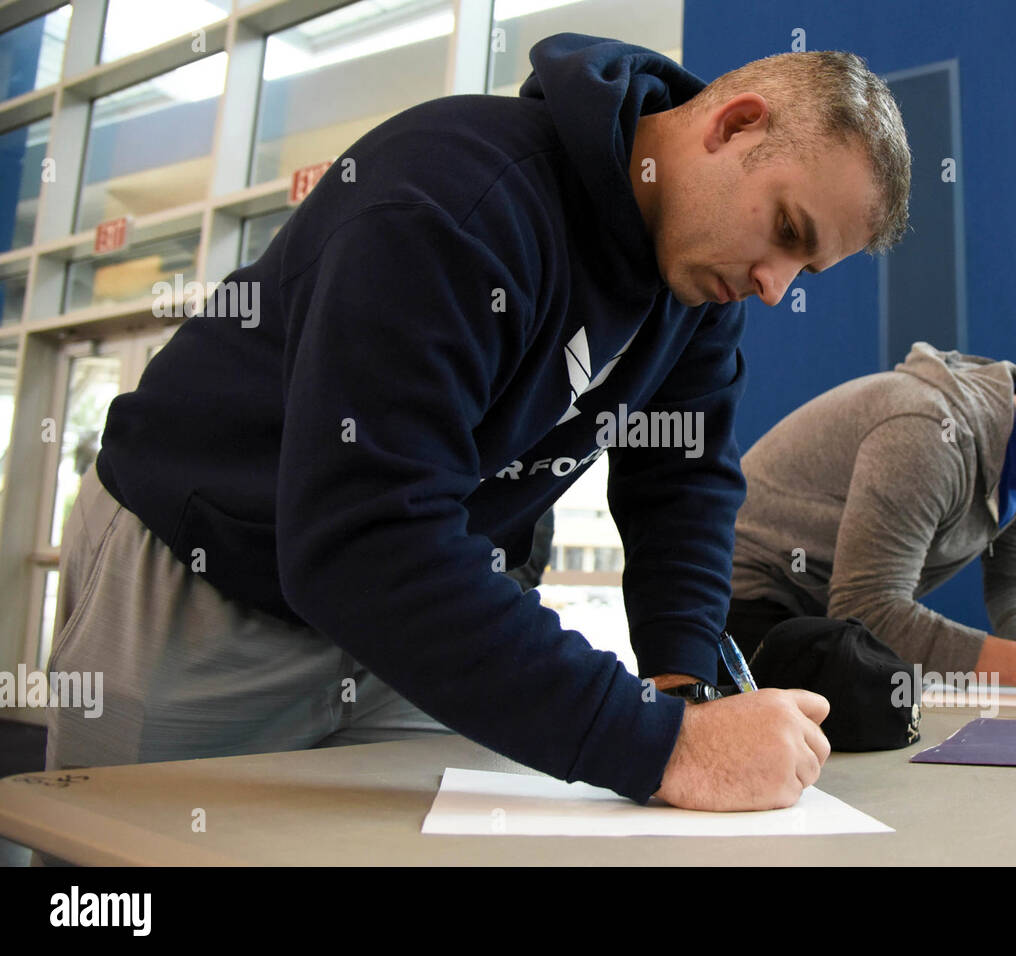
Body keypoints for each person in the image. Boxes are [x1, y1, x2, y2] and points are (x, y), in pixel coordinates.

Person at [45, 33, 912, 812]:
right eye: (787, 231)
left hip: (414, 628)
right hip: (208, 575)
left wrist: (683, 687)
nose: (776, 286)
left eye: (807, 266)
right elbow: (361, 540)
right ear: (734, 125)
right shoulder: (456, 198)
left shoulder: (699, 285)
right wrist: (662, 746)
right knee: (131, 877)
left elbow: (682, 486)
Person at [727, 342, 1016, 697]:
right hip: (736, 609)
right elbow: (867, 609)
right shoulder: (929, 431)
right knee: (878, 710)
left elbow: (1012, 579)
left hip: (814, 619)